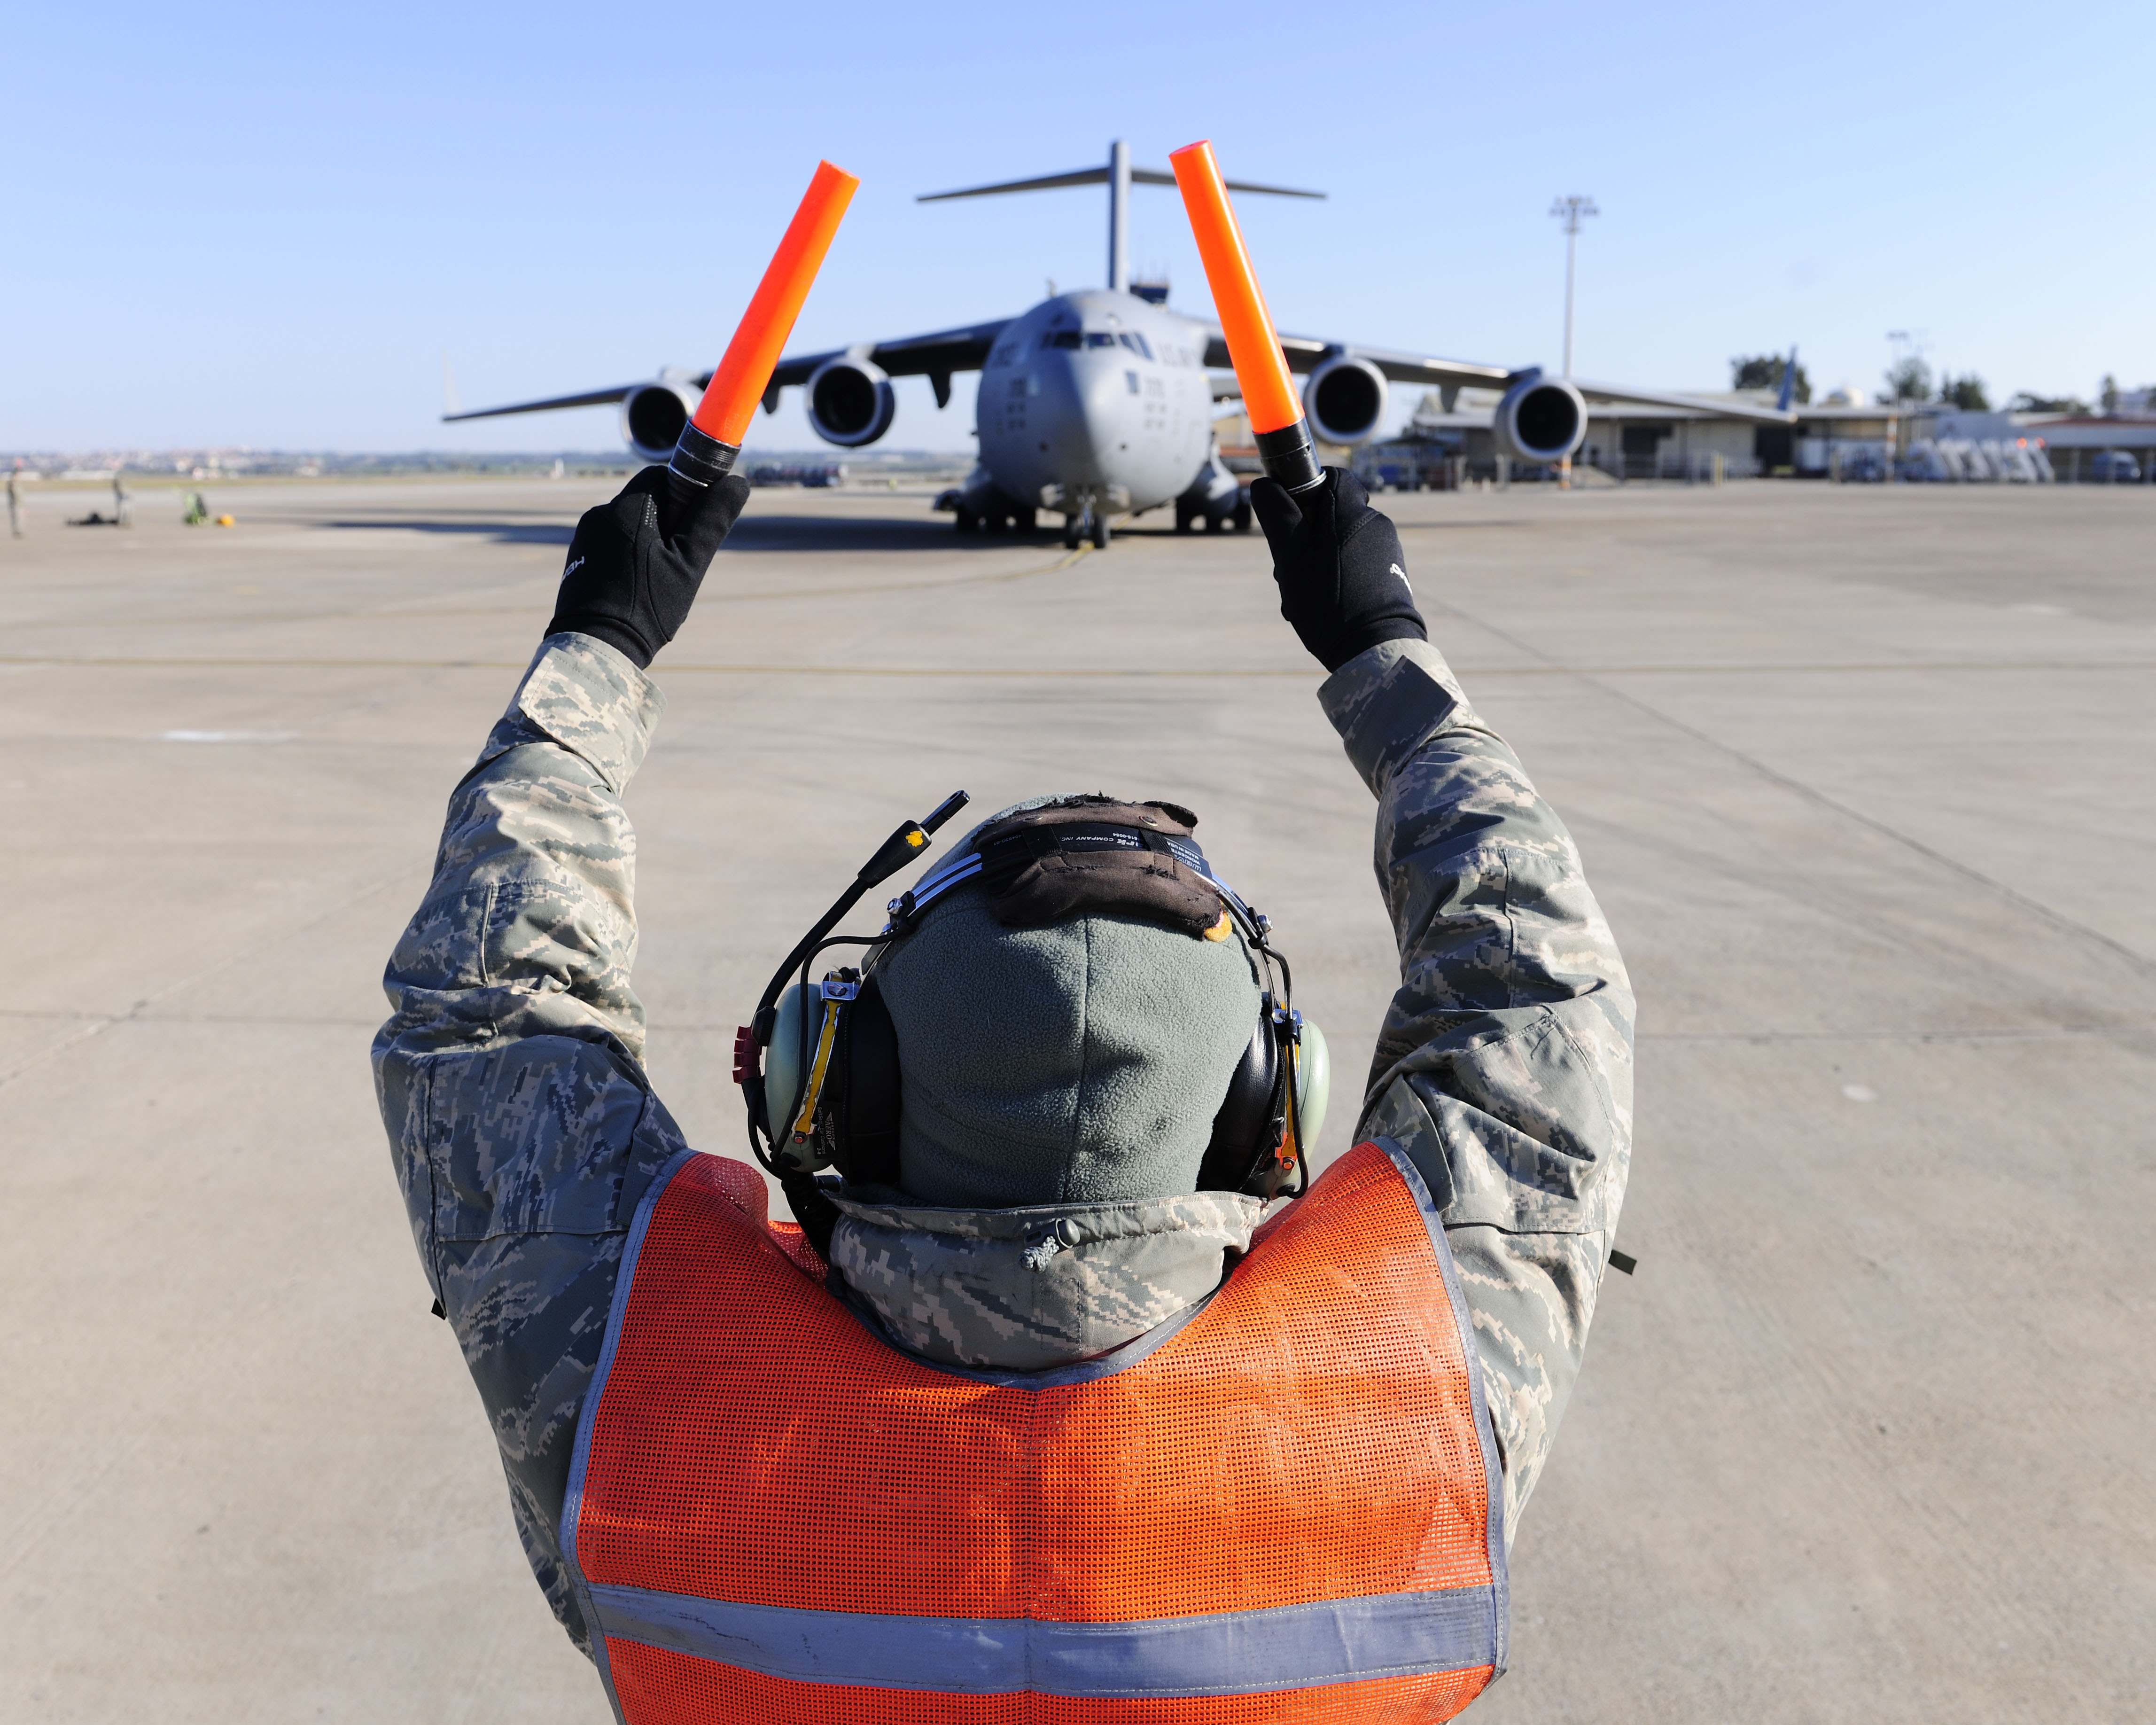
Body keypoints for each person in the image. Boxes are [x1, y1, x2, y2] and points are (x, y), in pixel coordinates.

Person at [374, 465, 1633, 1720]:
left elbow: (492, 1010)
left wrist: (601, 639)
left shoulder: (643, 1382)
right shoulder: (1416, 1403)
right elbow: (1536, 1002)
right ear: (1268, 1107)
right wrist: (1381, 648)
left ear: (834, 1080)